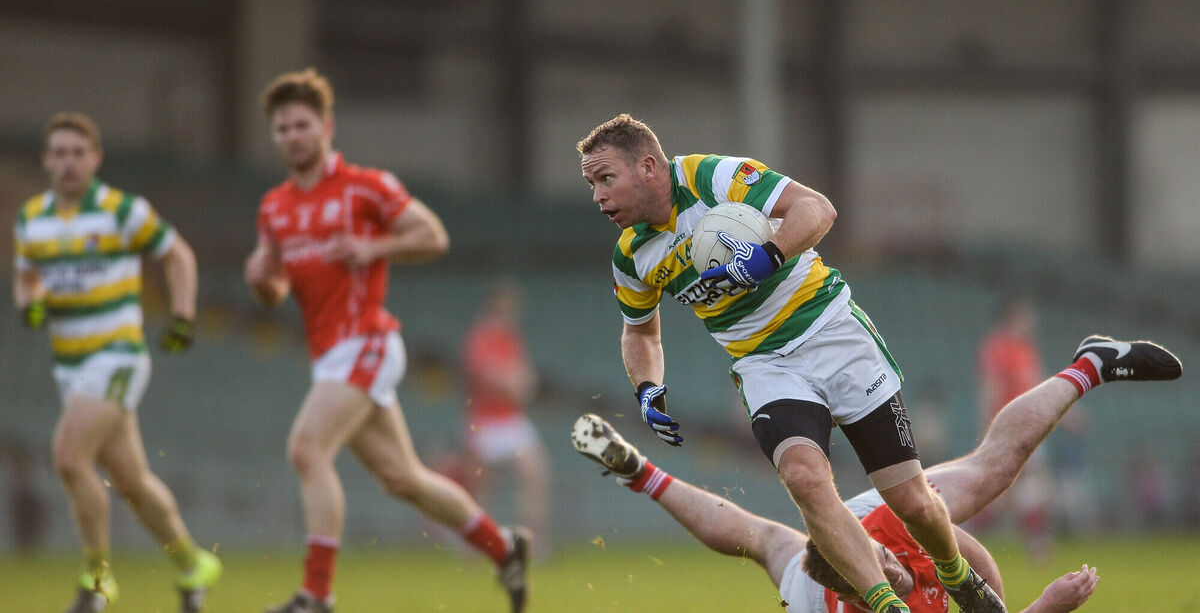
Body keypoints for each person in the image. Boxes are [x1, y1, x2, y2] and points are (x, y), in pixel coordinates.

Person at [578, 113, 1000, 613]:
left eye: (606, 178)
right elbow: (640, 331)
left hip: (831, 332)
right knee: (804, 478)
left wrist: (769, 255)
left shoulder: (714, 178)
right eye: (591, 184)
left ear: (648, 166)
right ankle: (886, 604)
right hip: (763, 364)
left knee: (910, 501)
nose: (598, 196)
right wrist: (647, 387)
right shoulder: (632, 254)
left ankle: (955, 571)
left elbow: (817, 209)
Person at [572, 335, 1181, 612]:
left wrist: (967, 580)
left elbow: (967, 575)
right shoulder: (831, 598)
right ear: (852, 594)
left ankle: (1091, 365)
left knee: (986, 474)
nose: (892, 563)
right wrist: (1046, 607)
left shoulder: (886, 531)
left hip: (852, 532)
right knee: (763, 543)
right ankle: (635, 469)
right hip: (815, 588)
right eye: (880, 569)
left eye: (881, 557)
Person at [244, 68, 529, 613]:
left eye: (301, 124)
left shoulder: (364, 187)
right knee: (405, 480)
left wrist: (374, 250)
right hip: (329, 356)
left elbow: (433, 235)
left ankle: (316, 596)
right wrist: (262, 281)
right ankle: (504, 547)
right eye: (281, 129)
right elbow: (275, 291)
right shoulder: (274, 207)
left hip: (368, 341)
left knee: (306, 450)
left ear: (326, 126)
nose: (291, 136)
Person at [12, 112, 222, 613]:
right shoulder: (32, 220)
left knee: (68, 458)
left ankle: (96, 582)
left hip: (117, 356)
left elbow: (179, 256)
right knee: (131, 480)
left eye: (77, 153)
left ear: (95, 159)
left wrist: (183, 314)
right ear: (46, 160)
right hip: (69, 367)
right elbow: (26, 279)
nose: (68, 162)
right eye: (58, 153)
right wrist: (30, 304)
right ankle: (194, 564)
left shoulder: (121, 211)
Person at [461, 279, 551, 556]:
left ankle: (533, 540)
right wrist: (513, 381)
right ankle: (475, 542)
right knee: (483, 486)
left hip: (511, 419)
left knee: (536, 471)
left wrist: (516, 380)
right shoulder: (481, 338)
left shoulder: (511, 338)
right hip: (485, 421)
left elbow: (524, 378)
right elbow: (490, 377)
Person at [975, 296, 1054, 561]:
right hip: (1010, 425)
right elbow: (991, 387)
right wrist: (989, 427)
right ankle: (964, 536)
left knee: (1025, 485)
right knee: (1004, 489)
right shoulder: (998, 347)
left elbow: (1038, 386)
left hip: (1031, 424)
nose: (1030, 323)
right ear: (1012, 318)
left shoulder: (1027, 349)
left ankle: (1036, 544)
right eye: (1025, 318)